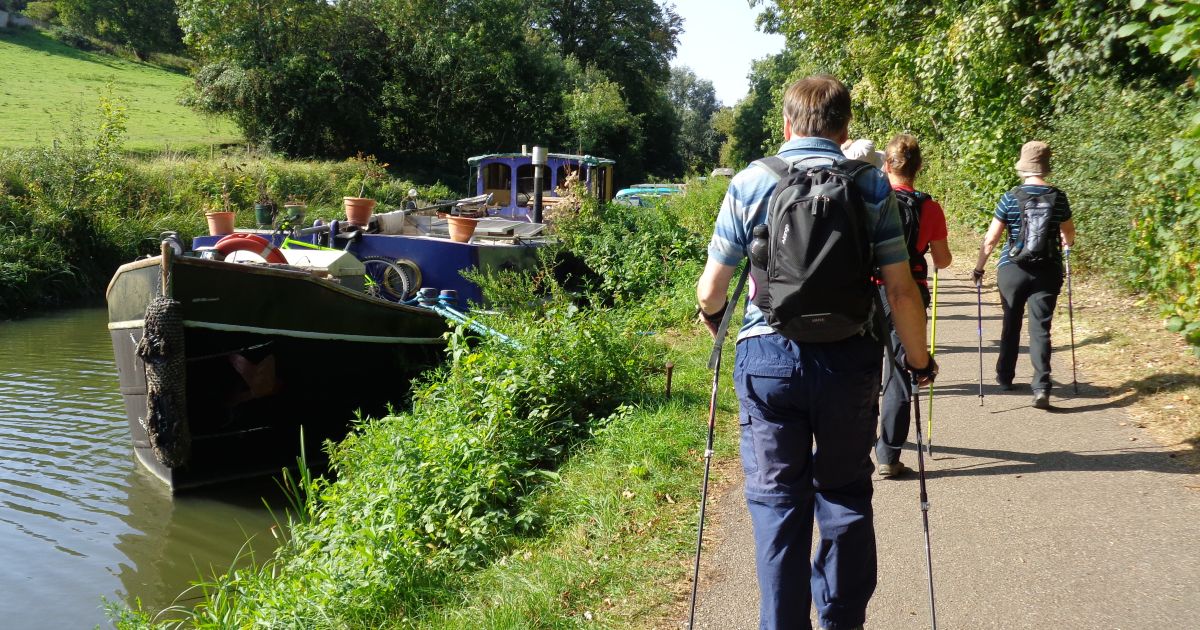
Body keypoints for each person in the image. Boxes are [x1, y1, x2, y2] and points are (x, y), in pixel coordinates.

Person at [696, 75, 936, 630]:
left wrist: (714, 321)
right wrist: (918, 363)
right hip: (849, 359)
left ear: (787, 125)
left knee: (778, 505)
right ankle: (841, 621)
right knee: (846, 493)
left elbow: (712, 289)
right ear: (844, 127)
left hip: (767, 361)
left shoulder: (752, 181)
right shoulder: (872, 186)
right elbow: (900, 290)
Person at [972, 140, 1076, 409]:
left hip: (1012, 269)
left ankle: (1005, 377)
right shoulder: (1059, 197)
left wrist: (980, 267)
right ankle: (1041, 386)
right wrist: (1066, 244)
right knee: (1041, 328)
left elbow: (991, 238)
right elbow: (1069, 234)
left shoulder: (1010, 196)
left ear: (1023, 166)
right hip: (1048, 269)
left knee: (1011, 322)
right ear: (1045, 167)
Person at [875, 133, 953, 477]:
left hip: (866, 292)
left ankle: (846, 444)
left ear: (886, 164)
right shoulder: (929, 207)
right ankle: (888, 456)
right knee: (898, 375)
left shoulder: (870, 199)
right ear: (918, 168)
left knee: (857, 369)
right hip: (908, 293)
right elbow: (944, 260)